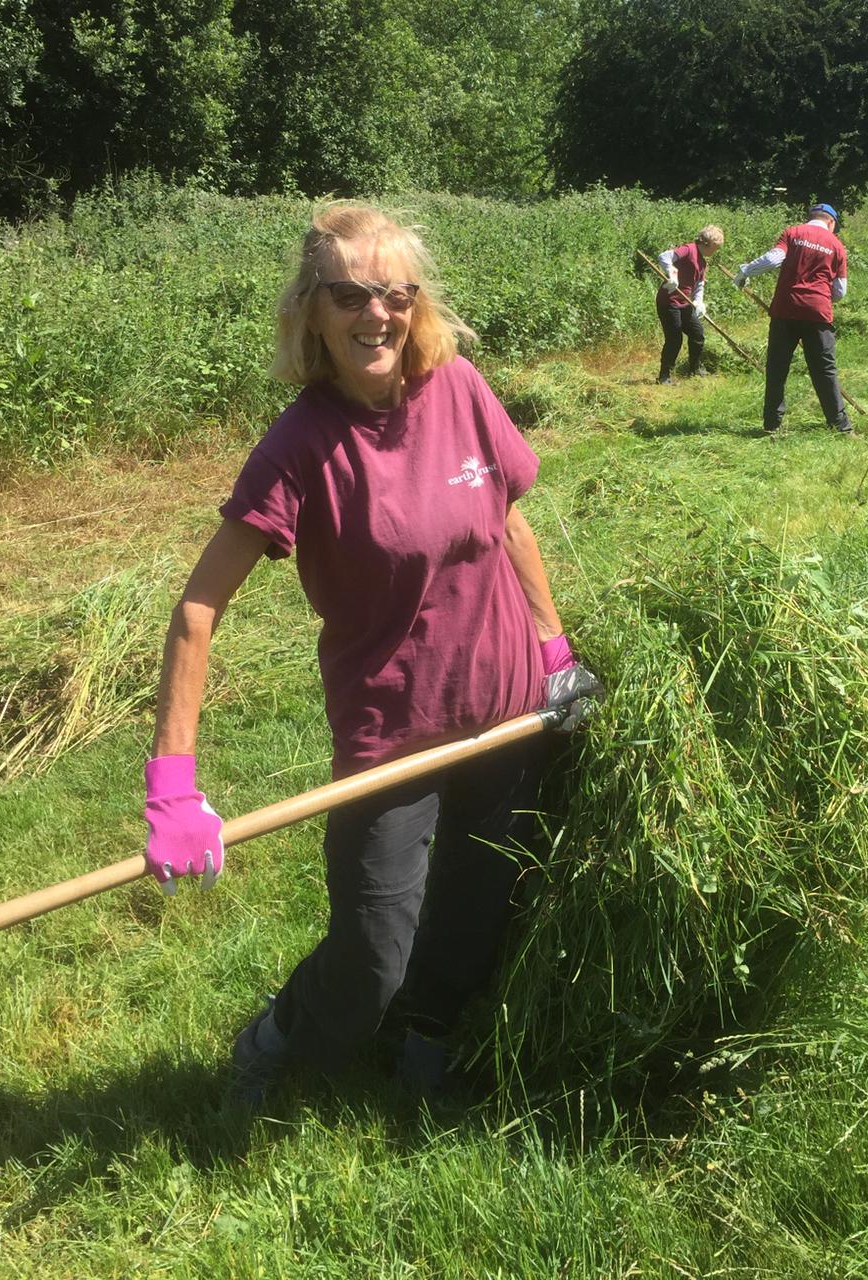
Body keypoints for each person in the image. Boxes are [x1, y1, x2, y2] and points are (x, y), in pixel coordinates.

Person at [141, 202, 602, 1107]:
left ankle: (428, 1037)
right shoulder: (300, 444)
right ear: (312, 309)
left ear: (417, 303)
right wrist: (172, 782)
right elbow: (199, 607)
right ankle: (280, 1035)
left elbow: (506, 517)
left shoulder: (460, 388)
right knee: (372, 950)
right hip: (393, 736)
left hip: (509, 713)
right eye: (349, 293)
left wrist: (554, 647)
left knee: (478, 905)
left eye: (396, 292)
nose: (376, 313)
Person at [732, 202, 853, 436]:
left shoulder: (793, 233)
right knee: (825, 370)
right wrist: (819, 296)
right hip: (818, 314)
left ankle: (771, 425)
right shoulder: (837, 246)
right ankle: (840, 426)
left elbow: (773, 259)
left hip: (785, 311)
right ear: (831, 222)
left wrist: (745, 271)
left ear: (812, 217)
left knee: (777, 368)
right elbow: (840, 291)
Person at [654, 224, 724, 384]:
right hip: (669, 301)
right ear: (707, 244)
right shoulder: (689, 249)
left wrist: (699, 301)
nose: (715, 251)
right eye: (715, 247)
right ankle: (664, 376)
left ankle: (694, 368)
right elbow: (664, 256)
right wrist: (672, 274)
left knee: (697, 333)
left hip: (685, 303)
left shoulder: (703, 262)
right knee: (674, 338)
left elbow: (699, 284)